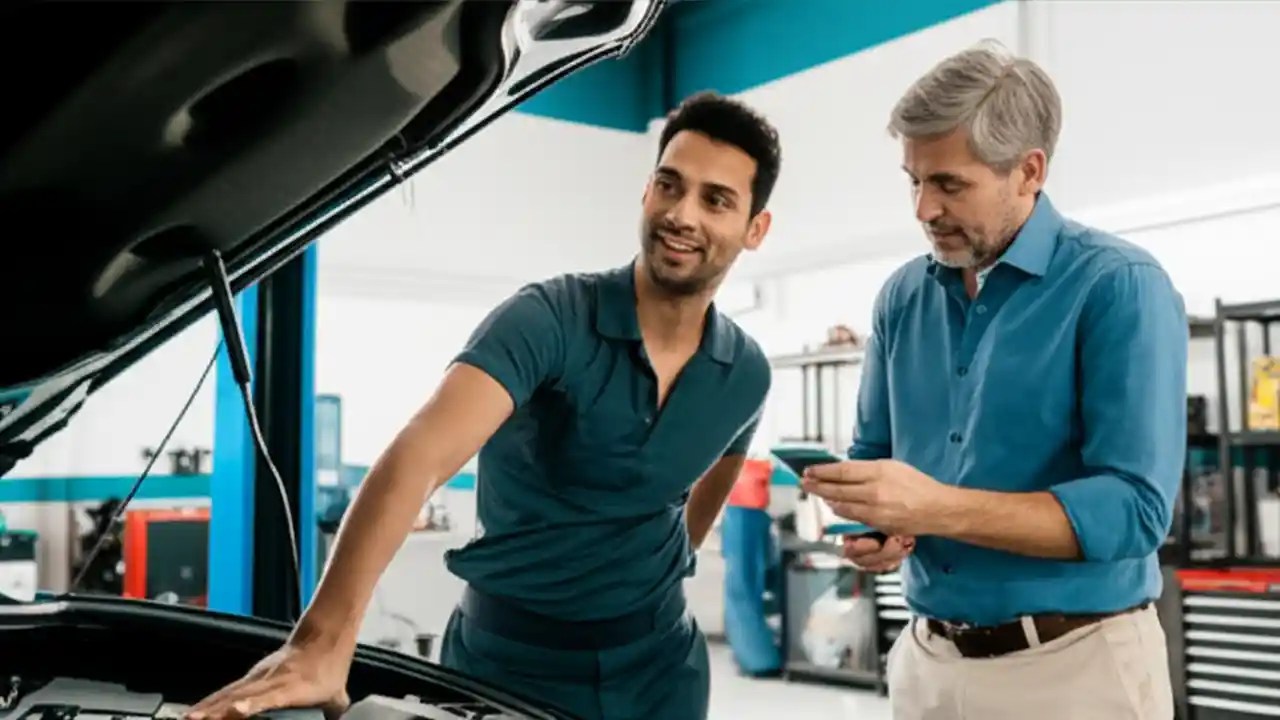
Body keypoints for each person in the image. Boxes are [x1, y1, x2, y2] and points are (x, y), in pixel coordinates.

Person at [184, 91, 781, 720]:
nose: (682, 214)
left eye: (716, 200)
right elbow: (419, 456)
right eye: (669, 185)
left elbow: (693, 513)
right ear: (646, 192)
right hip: (507, 666)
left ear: (754, 229)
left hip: (662, 672)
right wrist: (323, 643)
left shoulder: (746, 374)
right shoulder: (547, 320)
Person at [802, 40, 1186, 719]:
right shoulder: (903, 298)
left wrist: (930, 508)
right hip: (928, 664)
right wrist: (876, 527)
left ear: (1029, 171)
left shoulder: (1118, 289)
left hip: (1076, 670)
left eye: (950, 184)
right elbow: (876, 459)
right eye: (913, 181)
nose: (924, 209)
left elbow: (1135, 510)